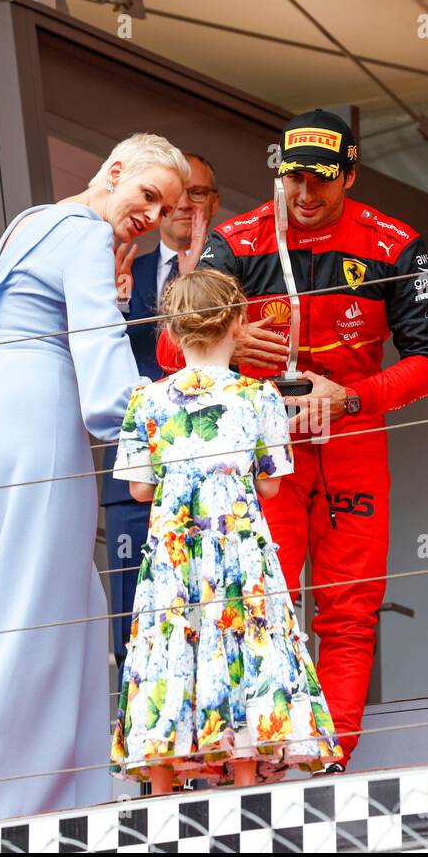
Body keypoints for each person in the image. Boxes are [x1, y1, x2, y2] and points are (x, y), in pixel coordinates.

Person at [157, 109, 428, 767]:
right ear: (278, 173)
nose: (305, 196)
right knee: (261, 601)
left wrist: (351, 396)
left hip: (352, 441)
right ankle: (260, 756)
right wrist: (224, 345)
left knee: (349, 612)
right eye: (293, 179)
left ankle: (329, 759)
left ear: (350, 174)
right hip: (263, 451)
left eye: (321, 181)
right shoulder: (235, 241)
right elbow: (169, 351)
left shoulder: (396, 244)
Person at [0, 134, 189, 824]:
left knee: (65, 601)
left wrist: (111, 307)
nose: (152, 215)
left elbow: (37, 316)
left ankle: (71, 785)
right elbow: (103, 385)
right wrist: (168, 421)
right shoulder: (86, 233)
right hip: (41, 414)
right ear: (113, 171)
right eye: (148, 194)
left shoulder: (30, 221)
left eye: (166, 208)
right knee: (38, 605)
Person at [111, 269, 341, 794]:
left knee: (167, 646)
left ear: (169, 330)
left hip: (173, 551)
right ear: (238, 322)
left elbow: (140, 491)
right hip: (238, 548)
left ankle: (162, 785)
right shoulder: (258, 397)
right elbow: (273, 487)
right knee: (243, 640)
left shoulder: (145, 401)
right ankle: (242, 778)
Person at [101, 153, 221, 667]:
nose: (185, 206)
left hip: (218, 470)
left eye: (199, 193)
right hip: (140, 473)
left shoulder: (232, 273)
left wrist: (197, 283)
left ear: (214, 204)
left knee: (217, 618)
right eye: (176, 196)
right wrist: (109, 307)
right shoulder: (121, 270)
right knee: (135, 627)